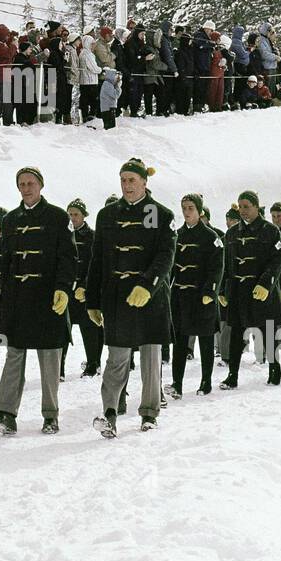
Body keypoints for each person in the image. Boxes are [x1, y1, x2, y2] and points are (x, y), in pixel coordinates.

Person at [86, 159, 175, 437]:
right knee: (117, 358)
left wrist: (148, 285)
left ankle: (149, 412)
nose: (127, 185)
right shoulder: (107, 215)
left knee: (150, 357)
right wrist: (92, 300)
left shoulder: (161, 214)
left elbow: (165, 256)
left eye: (132, 180)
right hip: (117, 297)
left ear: (144, 182)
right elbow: (97, 258)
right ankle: (110, 413)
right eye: (123, 180)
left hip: (151, 297)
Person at [0, 167, 75, 437]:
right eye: (22, 184)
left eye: (31, 183)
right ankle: (6, 413)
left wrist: (63, 289)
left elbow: (68, 258)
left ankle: (50, 415)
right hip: (19, 301)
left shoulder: (59, 217)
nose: (26, 188)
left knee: (49, 360)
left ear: (41, 185)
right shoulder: (11, 220)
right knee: (14, 357)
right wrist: (5, 308)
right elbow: (8, 265)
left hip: (48, 300)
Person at [218, 191, 281, 388]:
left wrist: (266, 284)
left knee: (269, 332)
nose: (243, 211)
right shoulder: (231, 234)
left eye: (247, 206)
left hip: (262, 291)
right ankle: (233, 375)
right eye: (241, 207)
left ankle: (274, 370)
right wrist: (222, 290)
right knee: (237, 334)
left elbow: (278, 259)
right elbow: (226, 265)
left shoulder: (271, 231)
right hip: (239, 292)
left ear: (256, 207)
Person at [169, 193, 221, 395]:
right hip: (181, 297)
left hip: (202, 298)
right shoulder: (177, 235)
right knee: (180, 342)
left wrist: (210, 291)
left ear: (199, 211)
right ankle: (177, 384)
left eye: (191, 208)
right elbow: (171, 267)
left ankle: (206, 382)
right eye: (184, 208)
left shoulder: (211, 238)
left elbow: (217, 268)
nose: (187, 212)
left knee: (205, 340)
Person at [67, 199, 102, 378]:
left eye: (76, 214)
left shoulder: (92, 236)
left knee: (89, 330)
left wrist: (85, 286)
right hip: (66, 290)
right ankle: (59, 368)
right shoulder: (64, 235)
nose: (72, 218)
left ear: (83, 216)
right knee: (63, 330)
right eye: (70, 214)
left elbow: (95, 265)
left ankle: (93, 364)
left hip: (85, 291)